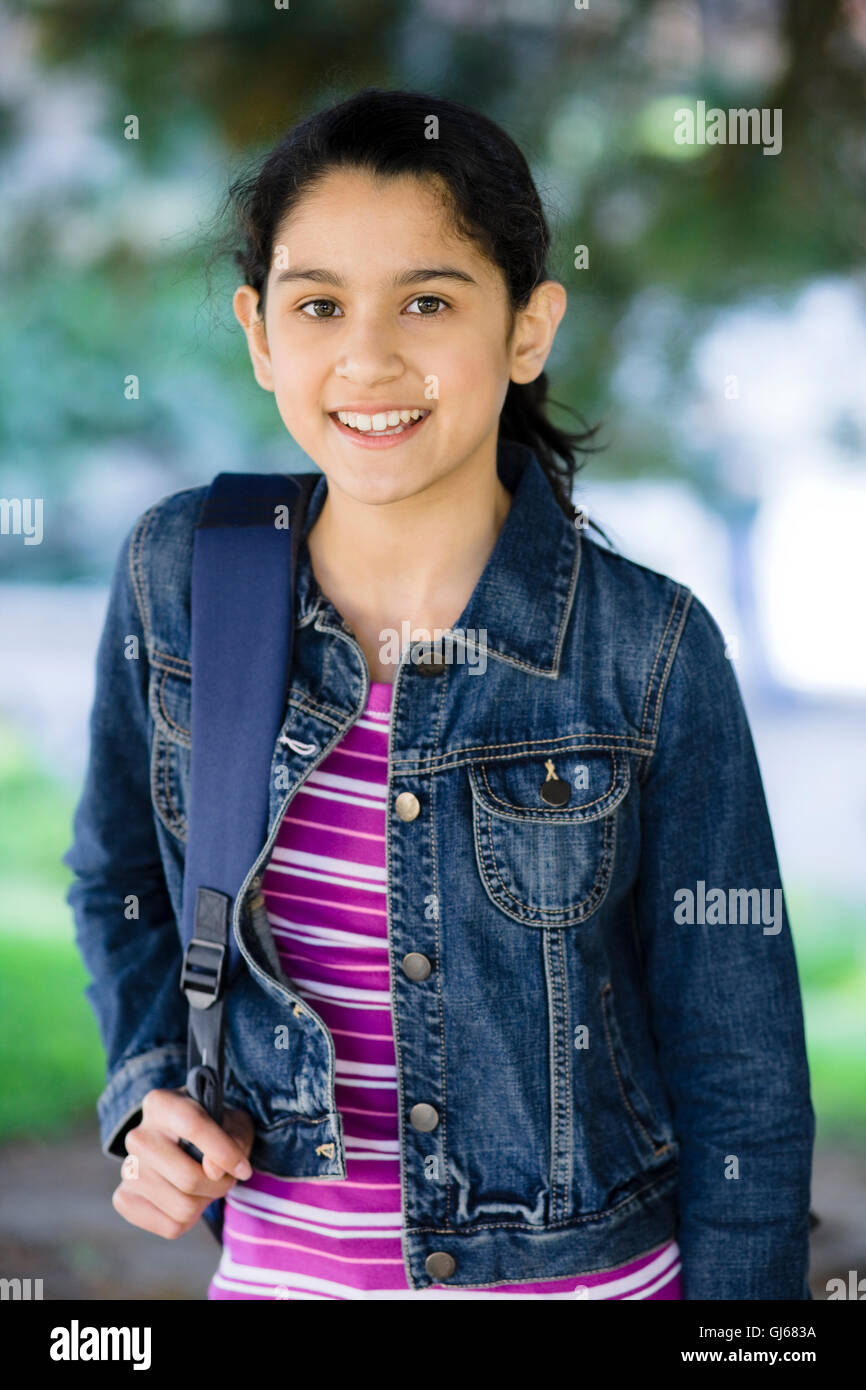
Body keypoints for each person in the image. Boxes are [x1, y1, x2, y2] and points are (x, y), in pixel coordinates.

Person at [64, 87, 815, 1299]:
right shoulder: (187, 575)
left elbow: (743, 1075)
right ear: (261, 335)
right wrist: (149, 1087)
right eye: (318, 306)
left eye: (427, 300)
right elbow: (124, 883)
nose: (368, 356)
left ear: (526, 329)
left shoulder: (647, 648)